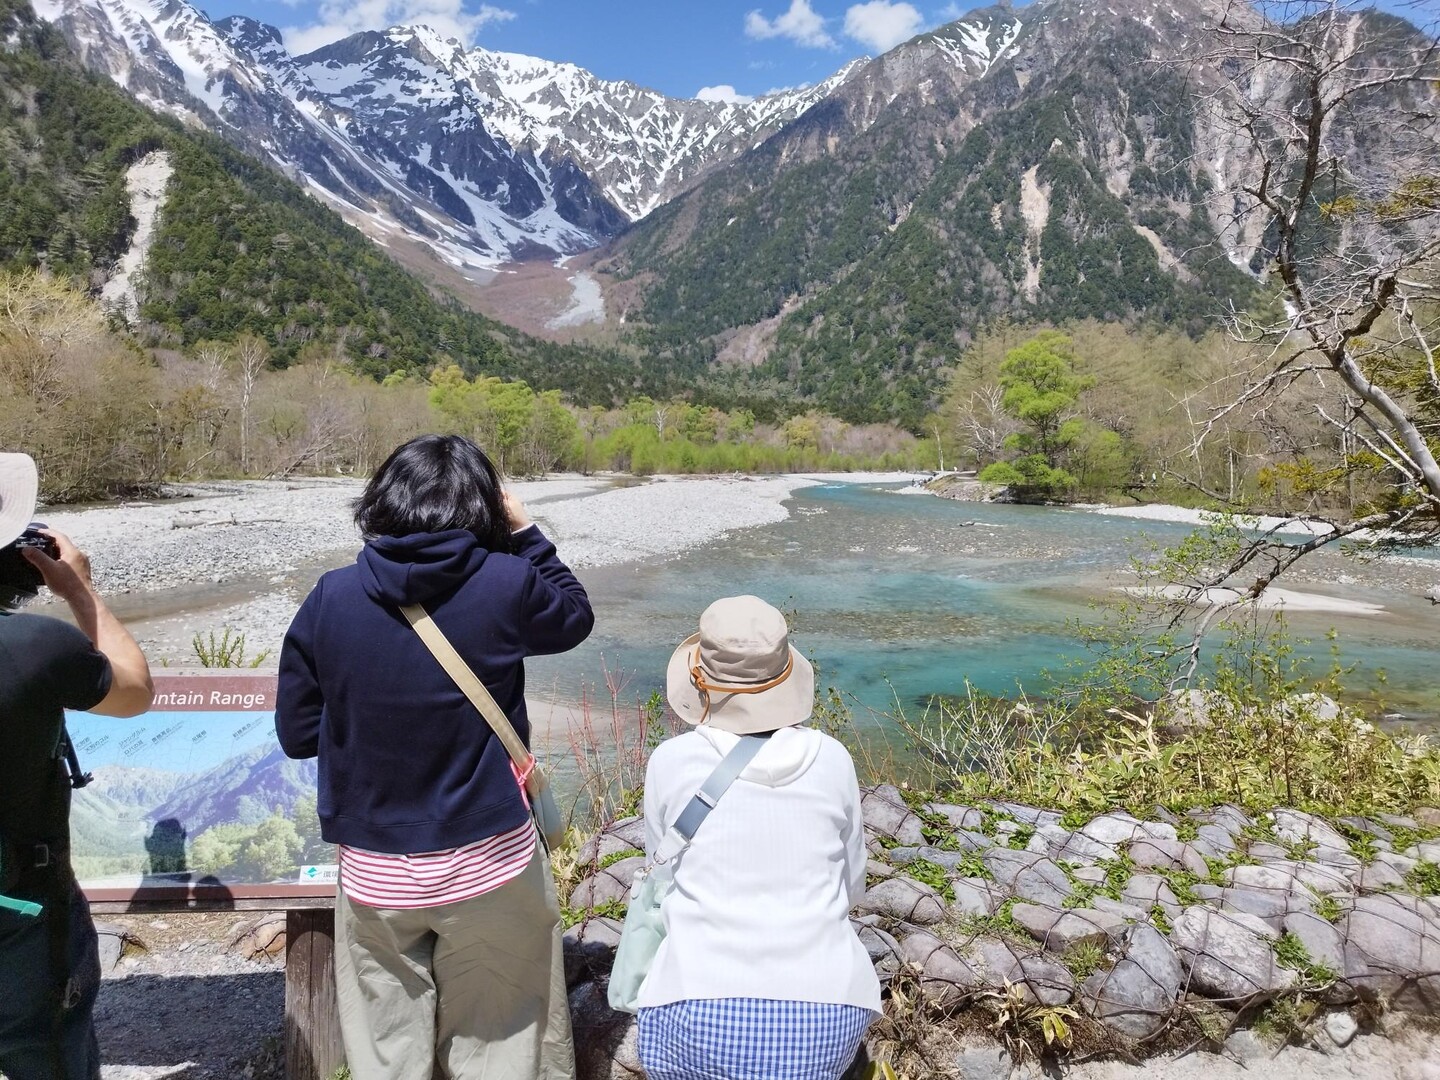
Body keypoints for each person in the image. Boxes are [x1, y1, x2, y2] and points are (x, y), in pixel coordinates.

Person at [275, 434, 593, 1080]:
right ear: (484, 508)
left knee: (388, 1044)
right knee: (500, 1038)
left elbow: (297, 732)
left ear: (381, 503)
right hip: (491, 861)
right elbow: (575, 615)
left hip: (375, 874)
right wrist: (527, 531)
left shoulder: (330, 599)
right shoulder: (506, 583)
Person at [634, 595, 881, 1080]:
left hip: (694, 1009)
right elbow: (852, 888)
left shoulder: (671, 760)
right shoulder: (833, 758)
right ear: (786, 674)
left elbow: (659, 879)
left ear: (699, 680)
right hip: (828, 1014)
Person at [0, 452, 155, 1080]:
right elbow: (133, 690)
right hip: (20, 909)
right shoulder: (33, 647)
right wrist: (79, 590)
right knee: (46, 1054)